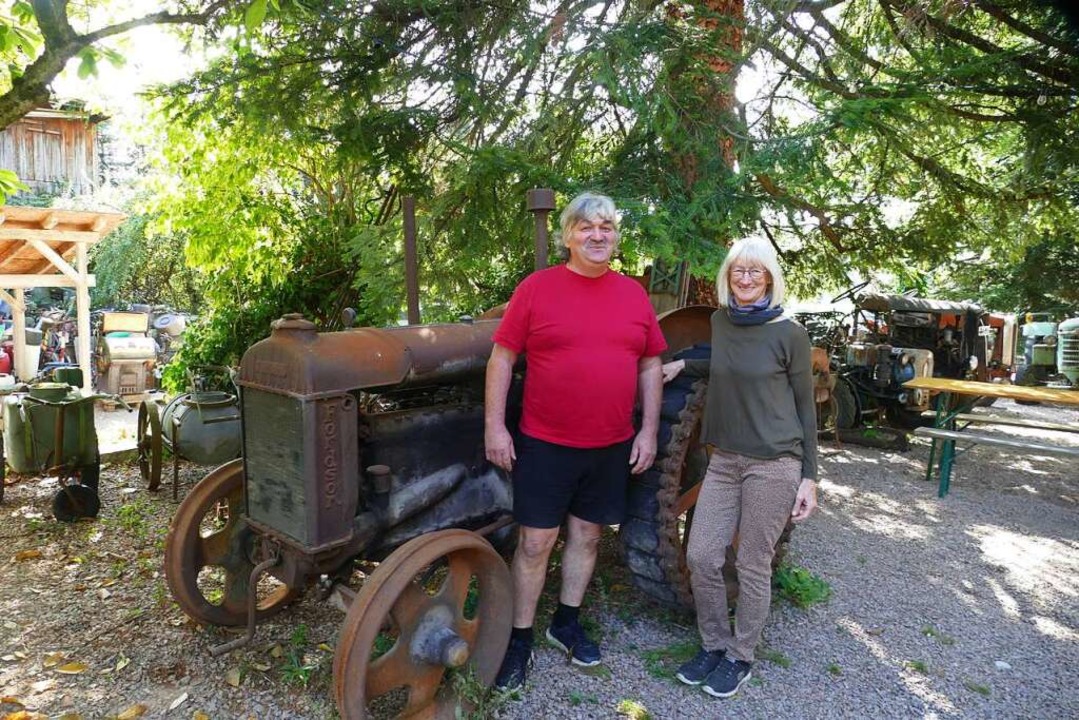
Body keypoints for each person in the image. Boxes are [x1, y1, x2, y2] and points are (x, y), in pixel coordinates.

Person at [485, 192, 667, 691]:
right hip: (545, 443)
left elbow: (651, 363)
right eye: (586, 226)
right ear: (568, 236)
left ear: (616, 236)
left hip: (611, 444)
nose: (597, 235)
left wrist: (648, 430)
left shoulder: (633, 295)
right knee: (535, 542)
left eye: (606, 226)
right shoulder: (537, 289)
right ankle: (519, 639)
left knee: (587, 536)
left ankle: (565, 621)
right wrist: (495, 426)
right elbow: (502, 358)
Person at [662, 237, 818, 699]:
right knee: (702, 555)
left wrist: (809, 476)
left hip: (775, 463)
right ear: (727, 278)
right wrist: (684, 365)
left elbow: (805, 408)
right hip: (725, 460)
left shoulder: (789, 332)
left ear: (770, 277)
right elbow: (725, 362)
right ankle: (713, 643)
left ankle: (741, 655)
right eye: (738, 272)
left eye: (755, 271)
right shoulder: (720, 322)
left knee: (752, 562)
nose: (746, 279)